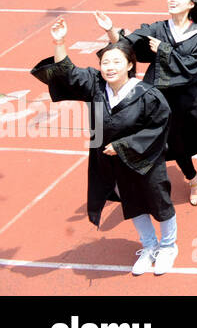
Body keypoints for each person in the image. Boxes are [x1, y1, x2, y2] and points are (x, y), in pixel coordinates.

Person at [34, 18, 178, 275]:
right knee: (132, 203)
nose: (109, 67)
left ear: (130, 64)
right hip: (115, 161)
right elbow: (67, 74)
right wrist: (59, 42)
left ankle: (168, 246)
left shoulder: (147, 94)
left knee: (159, 202)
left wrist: (123, 145)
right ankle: (149, 246)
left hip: (146, 159)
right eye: (105, 62)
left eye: (116, 62)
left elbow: (159, 127)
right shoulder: (96, 85)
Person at [97, 0, 197, 206]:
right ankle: (192, 179)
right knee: (174, 142)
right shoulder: (158, 28)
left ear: (191, 4)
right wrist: (111, 31)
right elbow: (128, 46)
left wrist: (164, 50)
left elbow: (195, 66)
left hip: (193, 96)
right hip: (163, 97)